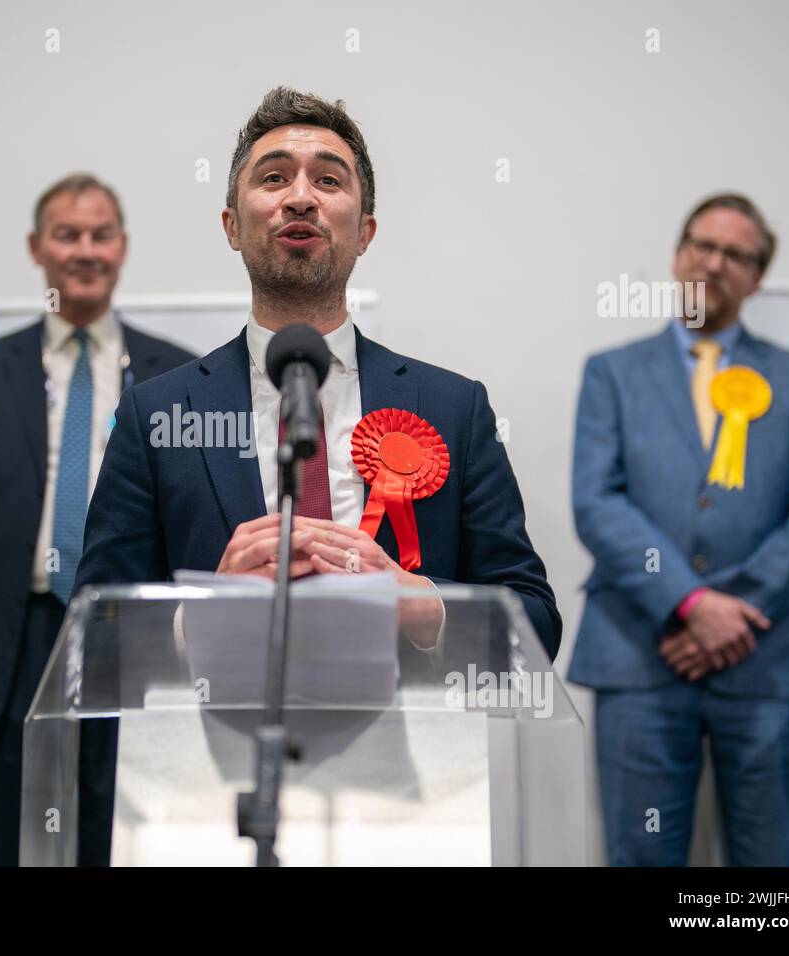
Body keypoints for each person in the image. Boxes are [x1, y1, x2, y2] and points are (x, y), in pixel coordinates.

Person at [72, 87, 561, 864]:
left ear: (364, 231)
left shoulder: (454, 408)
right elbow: (92, 642)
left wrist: (422, 603)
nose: (300, 194)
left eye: (328, 178)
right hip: (203, 796)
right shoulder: (154, 413)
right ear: (232, 226)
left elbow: (534, 623)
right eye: (273, 177)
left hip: (414, 801)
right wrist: (195, 611)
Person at [569, 194, 789, 866]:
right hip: (639, 653)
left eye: (737, 255)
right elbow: (596, 502)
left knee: (769, 870)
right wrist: (690, 604)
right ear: (678, 255)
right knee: (639, 856)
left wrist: (733, 615)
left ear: (756, 278)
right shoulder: (611, 373)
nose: (714, 262)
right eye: (703, 245)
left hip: (766, 659)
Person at [0, 173, 195, 866]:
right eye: (67, 234)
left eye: (100, 234)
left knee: (124, 835)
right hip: (12, 637)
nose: (85, 250)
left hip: (132, 636)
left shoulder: (178, 376)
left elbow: (192, 516)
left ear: (123, 248)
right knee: (6, 842)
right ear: (37, 247)